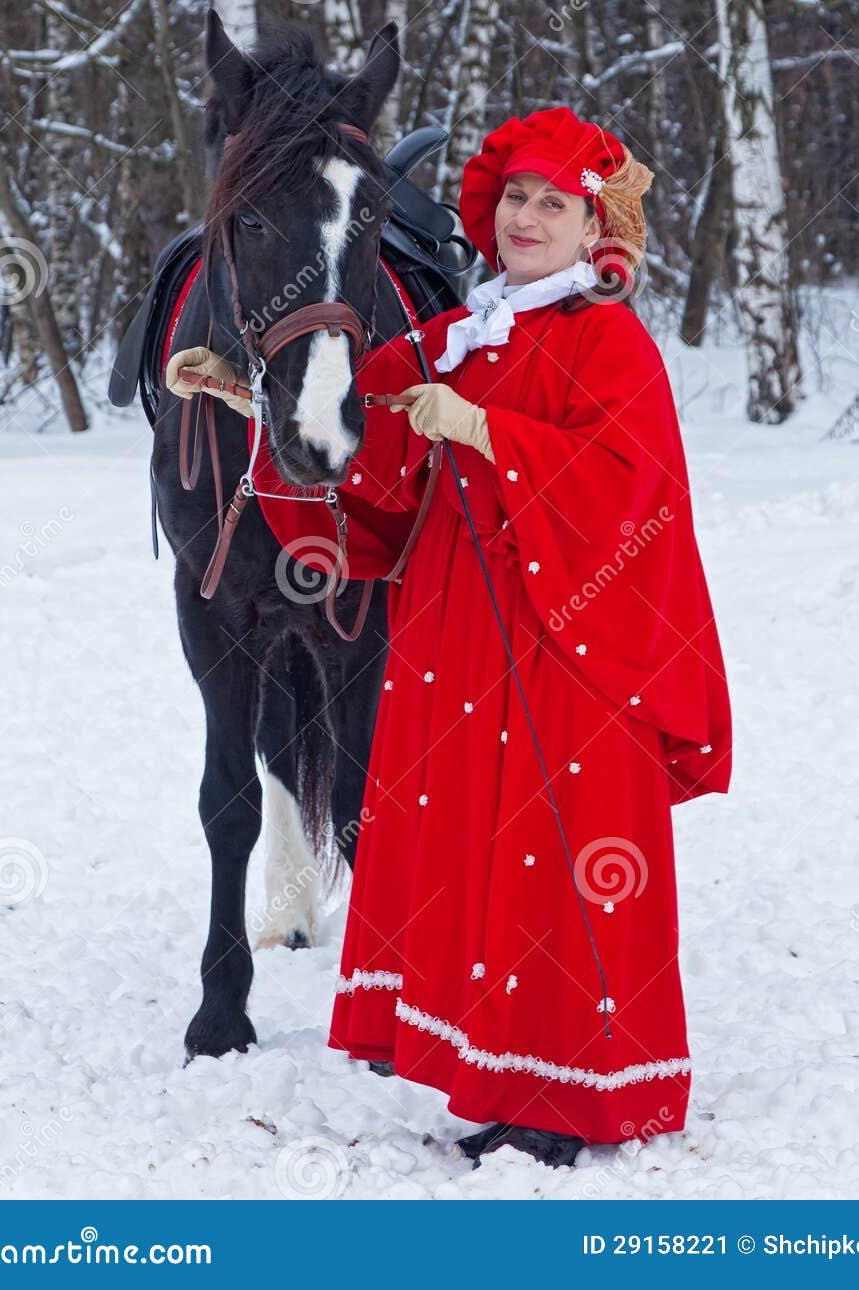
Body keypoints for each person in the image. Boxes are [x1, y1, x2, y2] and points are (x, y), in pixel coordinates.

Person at [167, 106, 732, 1169]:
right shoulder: (464, 332)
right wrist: (253, 401)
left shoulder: (606, 338)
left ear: (591, 225)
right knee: (487, 858)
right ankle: (502, 1078)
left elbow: (630, 496)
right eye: (515, 197)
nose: (526, 217)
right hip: (463, 642)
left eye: (552, 204)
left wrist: (489, 433)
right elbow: (362, 447)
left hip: (565, 645)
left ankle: (569, 1098)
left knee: (558, 860)